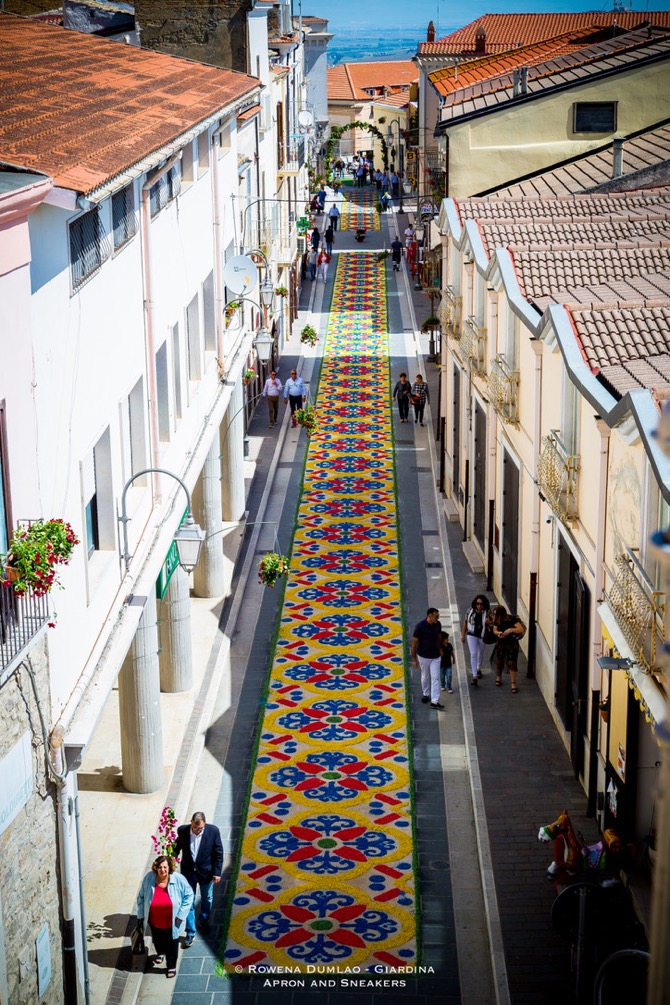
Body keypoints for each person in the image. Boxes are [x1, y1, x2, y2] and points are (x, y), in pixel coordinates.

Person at [136, 855, 193, 978]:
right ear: (156, 868)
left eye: (165, 867)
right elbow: (141, 897)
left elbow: (189, 896)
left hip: (173, 921)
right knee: (157, 939)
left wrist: (181, 913)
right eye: (160, 867)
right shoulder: (149, 879)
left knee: (172, 943)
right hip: (154, 920)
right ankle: (160, 953)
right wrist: (141, 914)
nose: (163, 870)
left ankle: (171, 965)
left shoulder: (178, 879)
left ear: (170, 868)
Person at [174, 812, 224, 946]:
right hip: (188, 872)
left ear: (204, 824)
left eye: (200, 828)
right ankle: (190, 931)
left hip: (206, 873)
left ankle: (204, 920)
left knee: (207, 898)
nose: (197, 831)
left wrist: (217, 872)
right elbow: (177, 845)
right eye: (195, 828)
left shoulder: (213, 831)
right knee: (188, 901)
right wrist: (171, 858)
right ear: (191, 822)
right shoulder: (183, 830)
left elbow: (218, 853)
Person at [411, 608, 444, 709]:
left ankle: (435, 701)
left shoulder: (438, 624)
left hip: (435, 655)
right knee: (425, 676)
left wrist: (441, 648)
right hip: (423, 656)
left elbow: (439, 636)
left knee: (435, 677)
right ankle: (426, 693)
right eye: (436, 616)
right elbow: (414, 643)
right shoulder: (420, 626)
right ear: (429, 616)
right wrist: (414, 659)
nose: (437, 618)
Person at [489, 605, 526, 693]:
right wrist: (499, 633)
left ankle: (513, 683)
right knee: (499, 661)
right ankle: (499, 676)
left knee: (512, 663)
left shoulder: (512, 619)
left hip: (512, 643)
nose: (495, 617)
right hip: (501, 643)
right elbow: (495, 630)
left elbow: (520, 629)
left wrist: (510, 630)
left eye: (496, 615)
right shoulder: (496, 621)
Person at [461, 594, 491, 687]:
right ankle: (474, 676)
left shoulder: (488, 612)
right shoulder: (470, 611)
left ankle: (478, 668)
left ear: (484, 605)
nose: (479, 606)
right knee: (473, 654)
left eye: (481, 604)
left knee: (480, 653)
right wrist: (463, 635)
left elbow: (493, 624)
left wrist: (489, 622)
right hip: (471, 634)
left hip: (482, 635)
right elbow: (465, 623)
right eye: (477, 603)